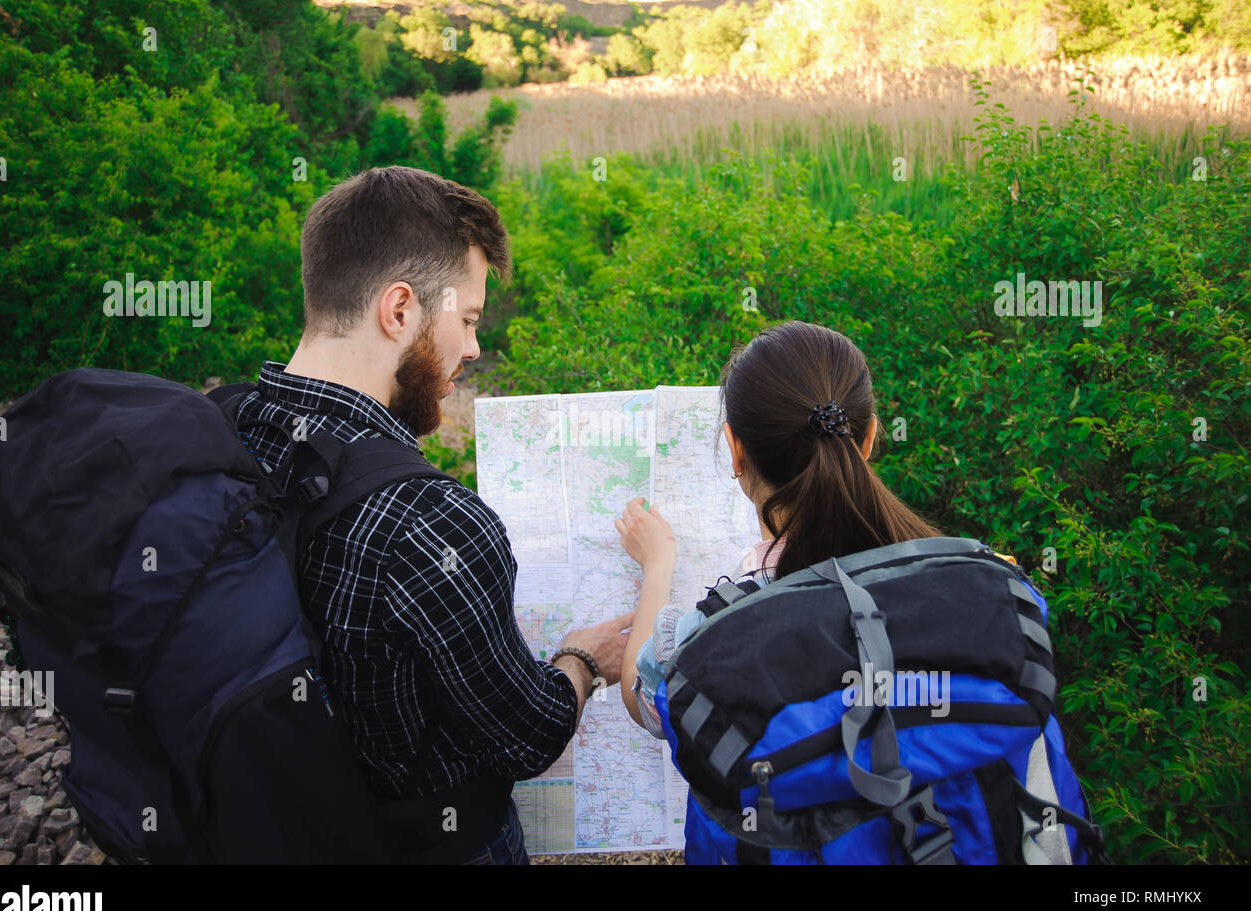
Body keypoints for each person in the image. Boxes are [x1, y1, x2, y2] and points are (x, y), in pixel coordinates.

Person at [232, 166, 631, 864]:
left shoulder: (226, 428)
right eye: (469, 319)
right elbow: (528, 734)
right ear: (400, 310)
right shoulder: (432, 522)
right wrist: (583, 659)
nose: (474, 348)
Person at [618, 321, 943, 742]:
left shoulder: (720, 630)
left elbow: (642, 695)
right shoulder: (976, 579)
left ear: (736, 451)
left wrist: (657, 566)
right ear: (868, 440)